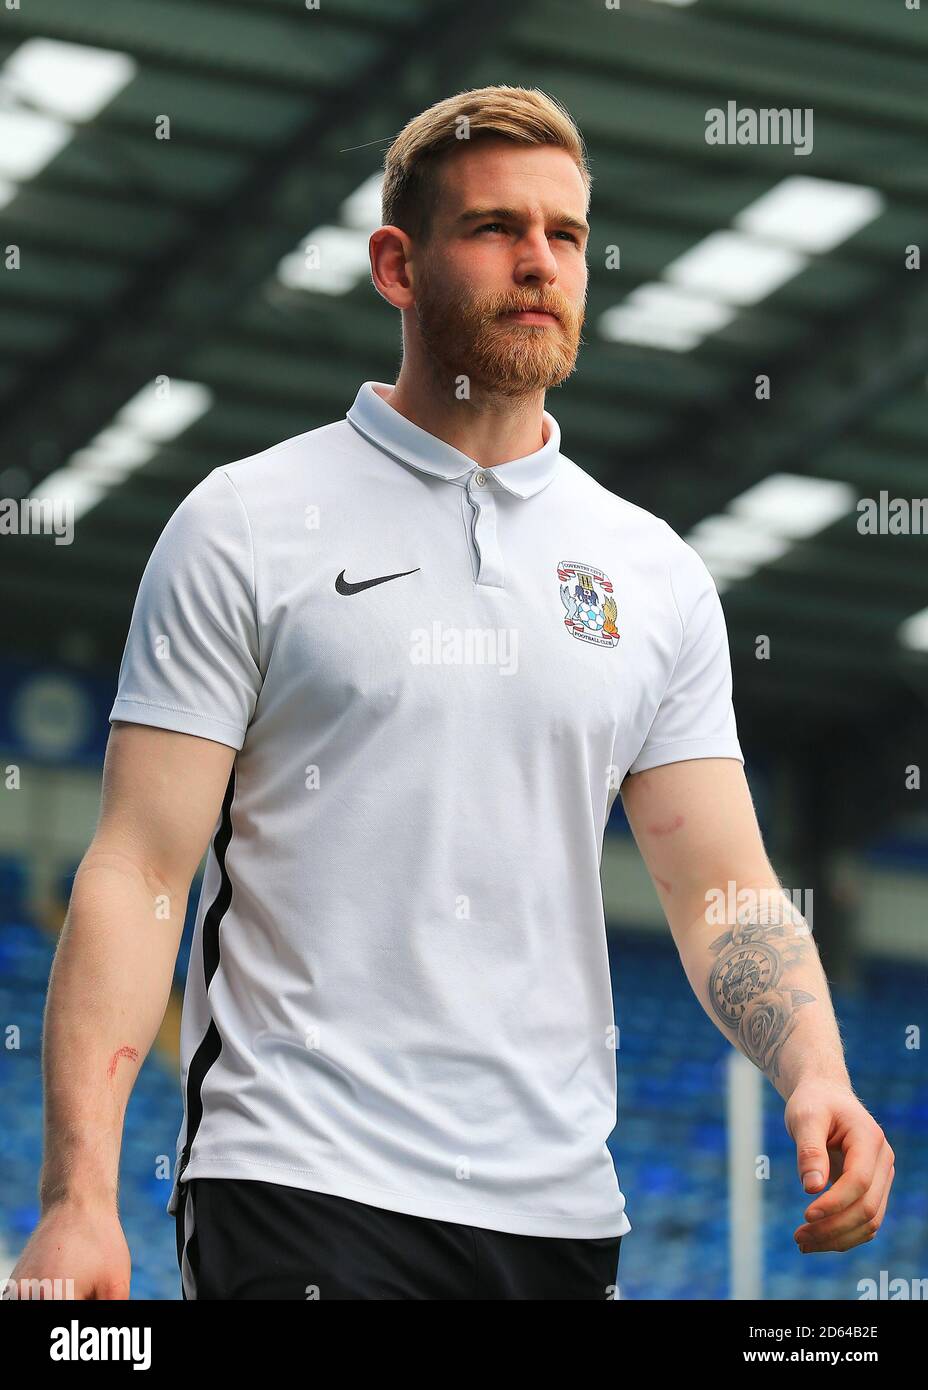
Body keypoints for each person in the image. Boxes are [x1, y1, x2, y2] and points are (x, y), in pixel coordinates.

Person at [10, 85, 893, 1302]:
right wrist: (79, 1200)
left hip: (559, 1207)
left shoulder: (653, 574)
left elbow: (723, 891)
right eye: (494, 228)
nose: (539, 262)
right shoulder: (246, 524)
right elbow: (140, 870)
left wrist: (815, 1068)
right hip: (299, 1178)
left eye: (566, 236)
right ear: (395, 264)